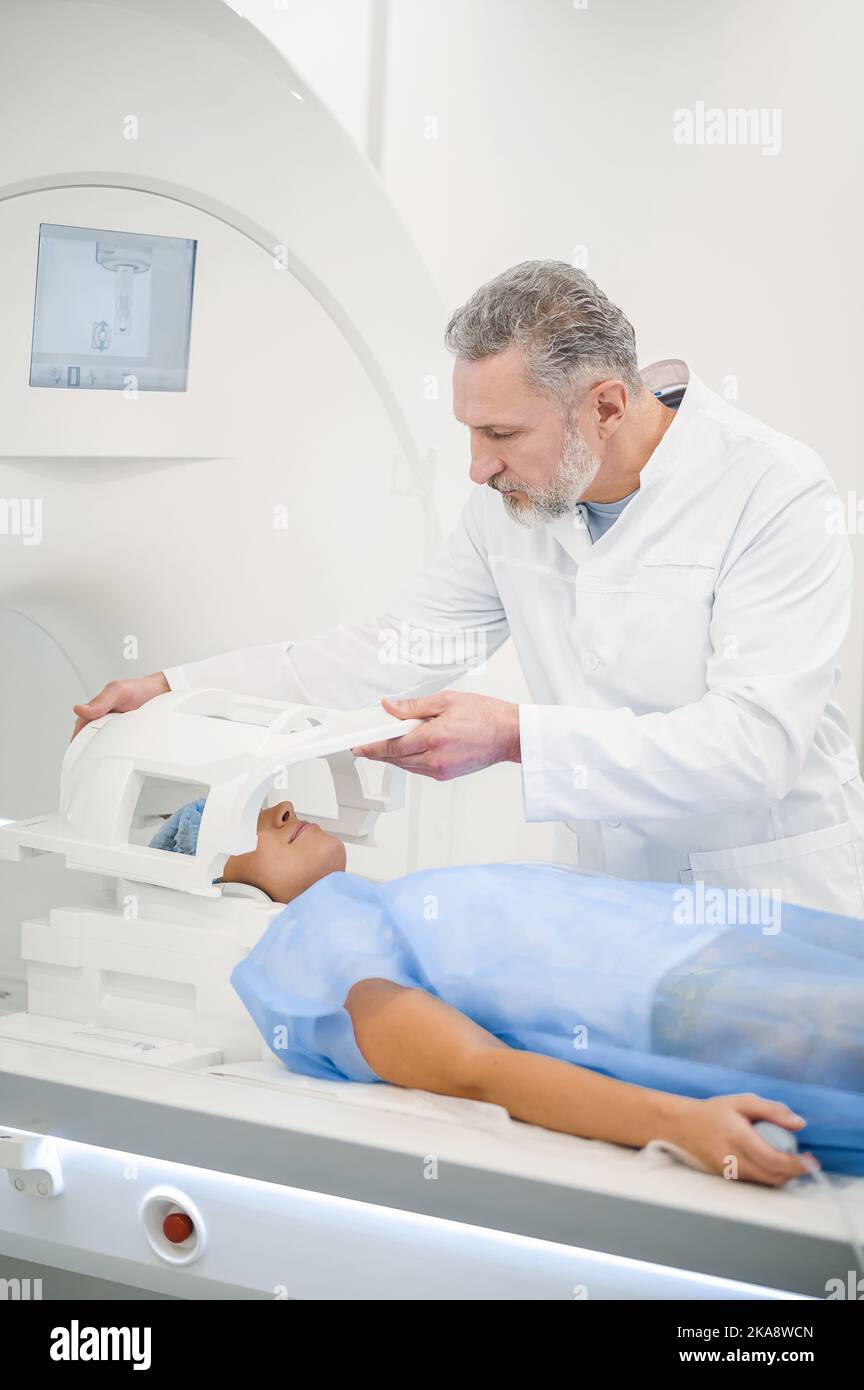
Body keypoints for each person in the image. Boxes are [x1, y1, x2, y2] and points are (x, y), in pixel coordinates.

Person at [73, 260, 864, 916]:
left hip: (769, 898)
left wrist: (518, 736)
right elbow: (391, 652)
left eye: (502, 435)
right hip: (613, 899)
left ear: (607, 408)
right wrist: (177, 689)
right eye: (470, 431)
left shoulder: (773, 489)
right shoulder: (514, 506)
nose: (477, 467)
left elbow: (753, 747)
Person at [149, 795, 864, 1185]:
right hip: (689, 999)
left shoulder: (373, 904)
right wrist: (682, 1124)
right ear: (211, 877)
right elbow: (473, 1068)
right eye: (238, 816)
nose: (279, 808)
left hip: (715, 955)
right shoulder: (306, 945)